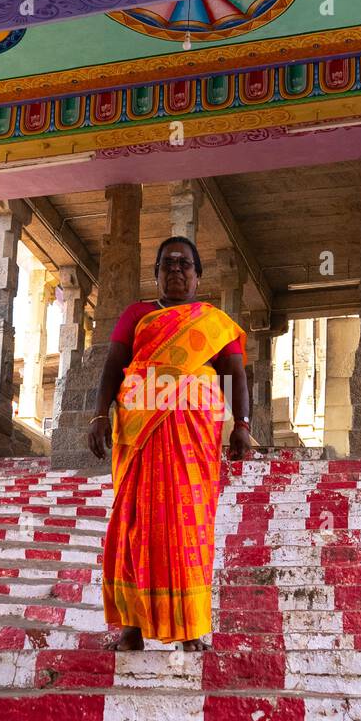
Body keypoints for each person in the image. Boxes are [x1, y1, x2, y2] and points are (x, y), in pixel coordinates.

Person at [86, 236, 253, 652]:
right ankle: (131, 627)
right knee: (134, 524)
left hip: (191, 438)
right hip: (138, 434)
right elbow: (113, 366)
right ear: (156, 272)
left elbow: (234, 373)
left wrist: (243, 425)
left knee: (187, 527)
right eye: (167, 264)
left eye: (185, 265)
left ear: (198, 275)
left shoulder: (212, 321)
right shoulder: (137, 315)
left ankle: (190, 626)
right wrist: (97, 415)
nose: (176, 271)